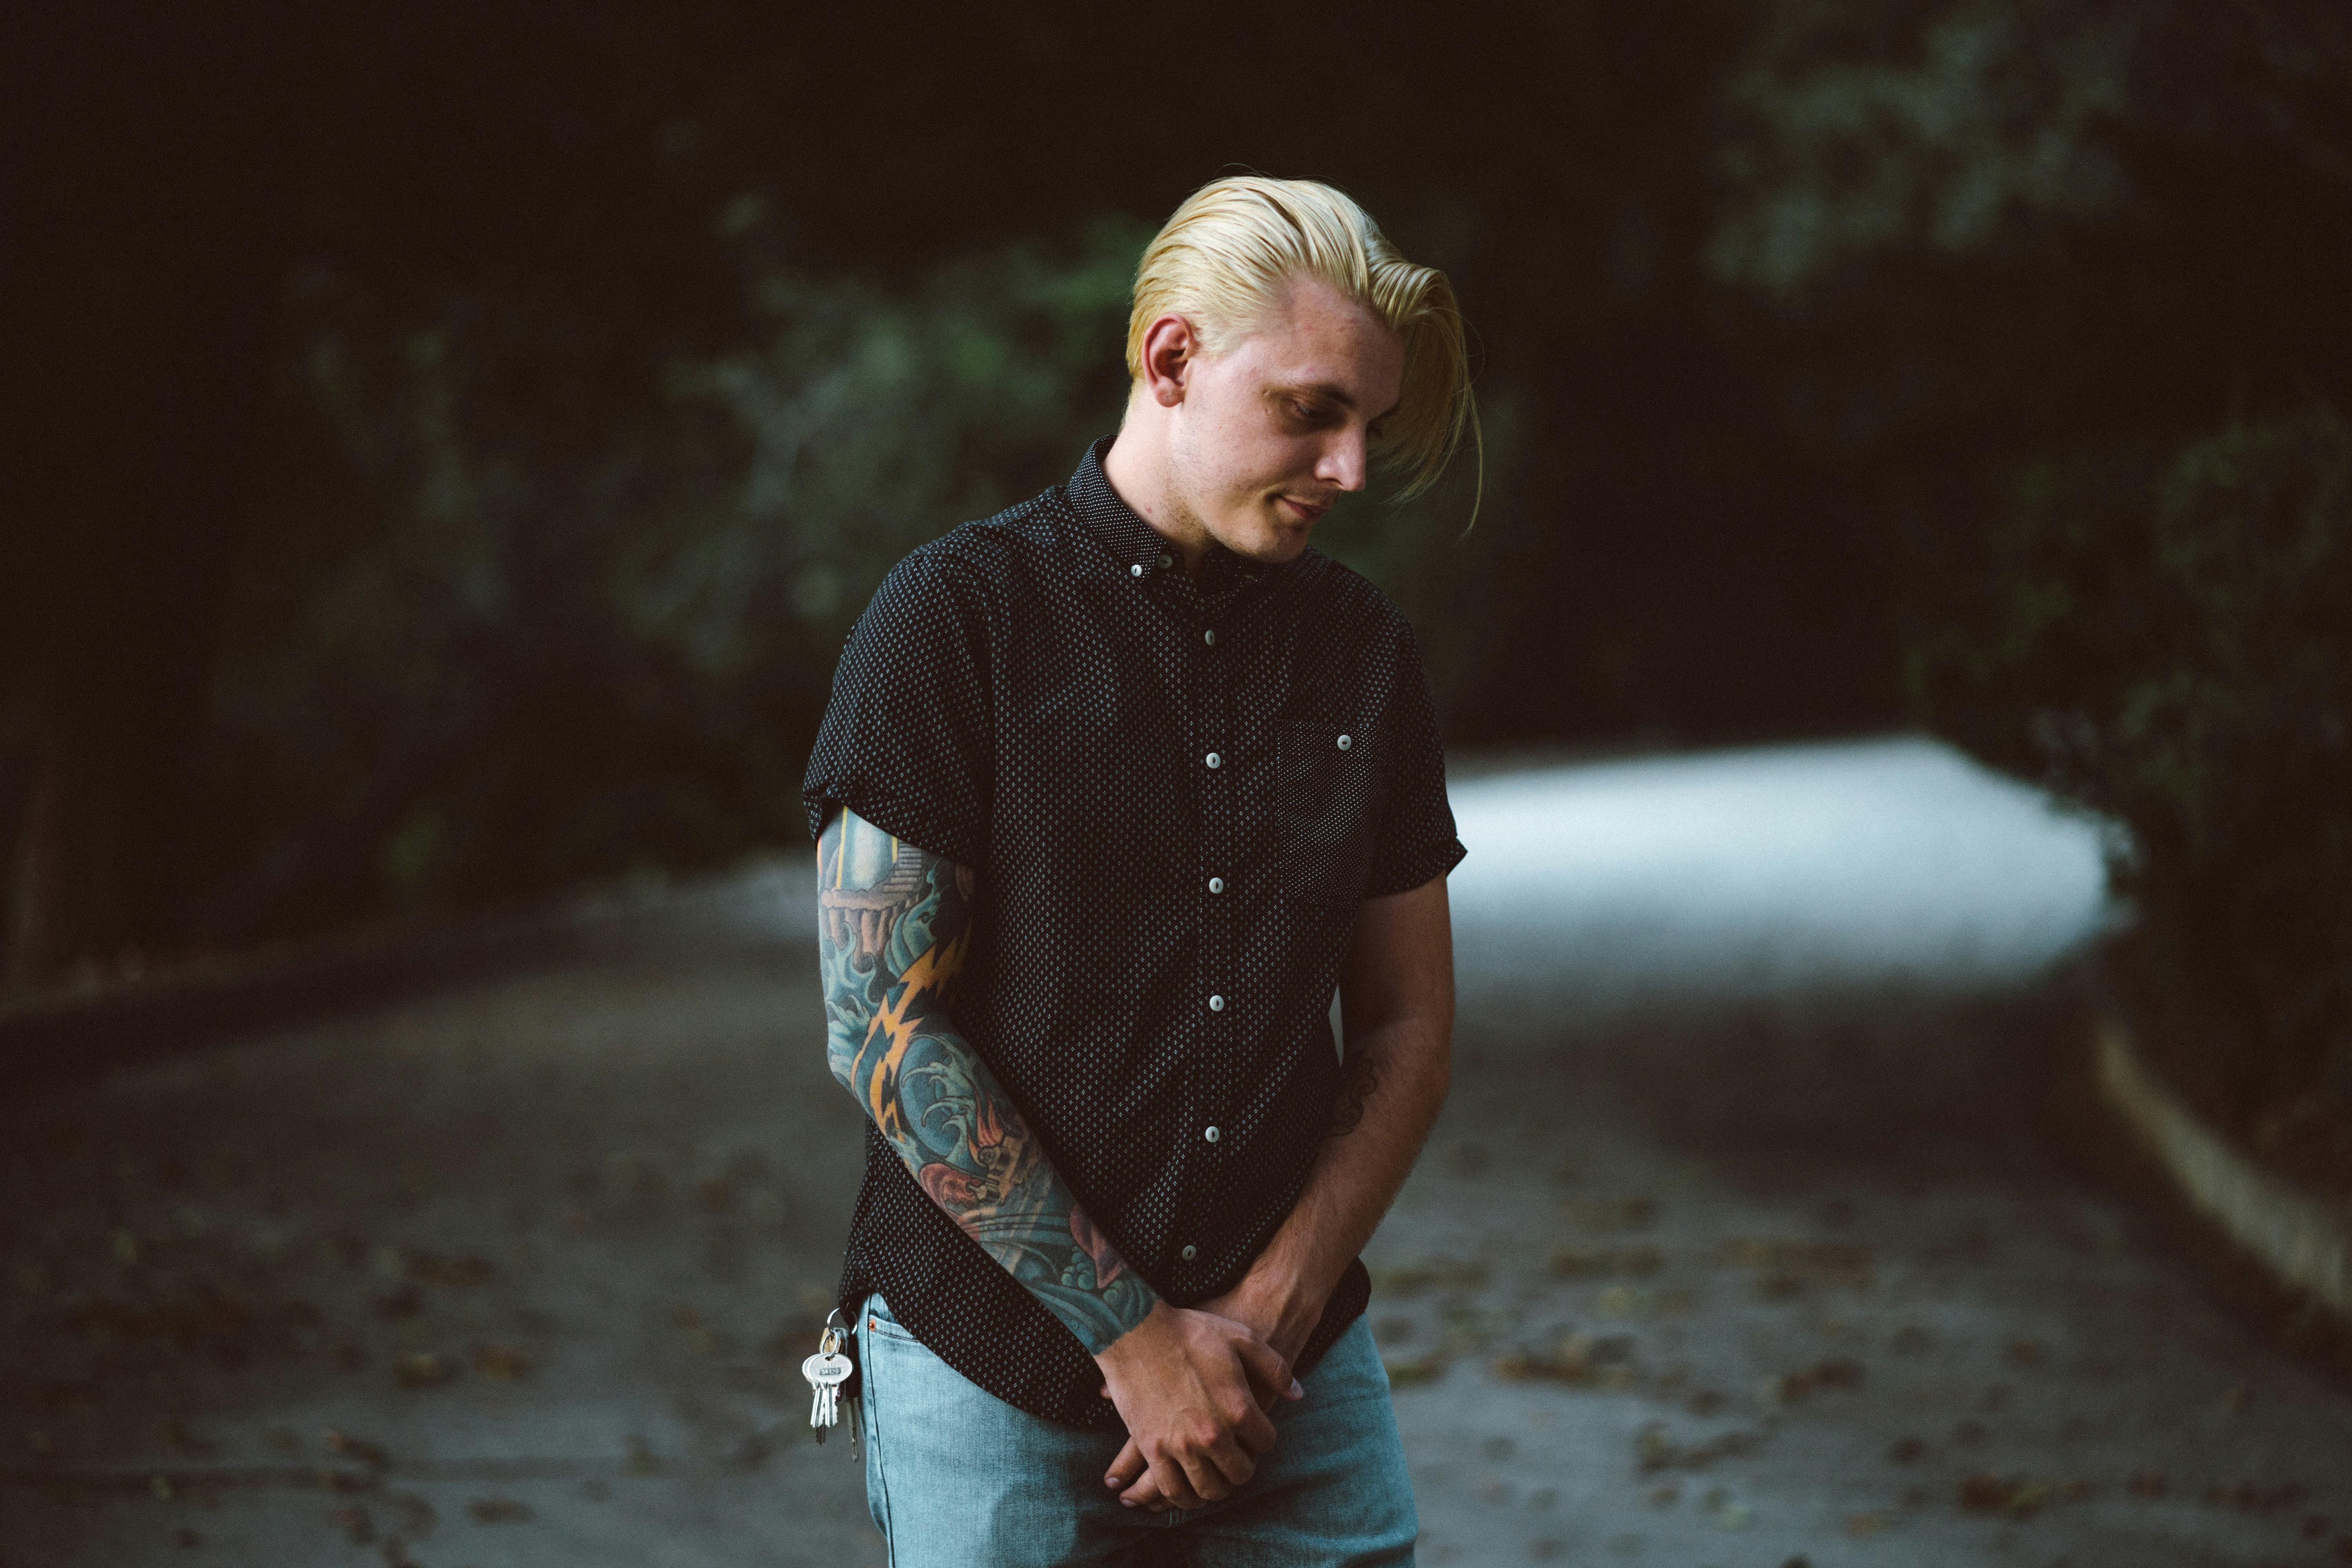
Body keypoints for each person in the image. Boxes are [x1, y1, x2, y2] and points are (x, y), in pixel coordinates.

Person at [804, 174, 1475, 1566]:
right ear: (1171, 360)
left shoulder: (1365, 651)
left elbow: (1407, 1026)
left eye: (1370, 425)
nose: (1351, 469)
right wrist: (1141, 1346)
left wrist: (1266, 1319)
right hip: (987, 1370)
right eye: (1313, 411)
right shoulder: (954, 618)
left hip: (1289, 1382)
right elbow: (880, 1024)